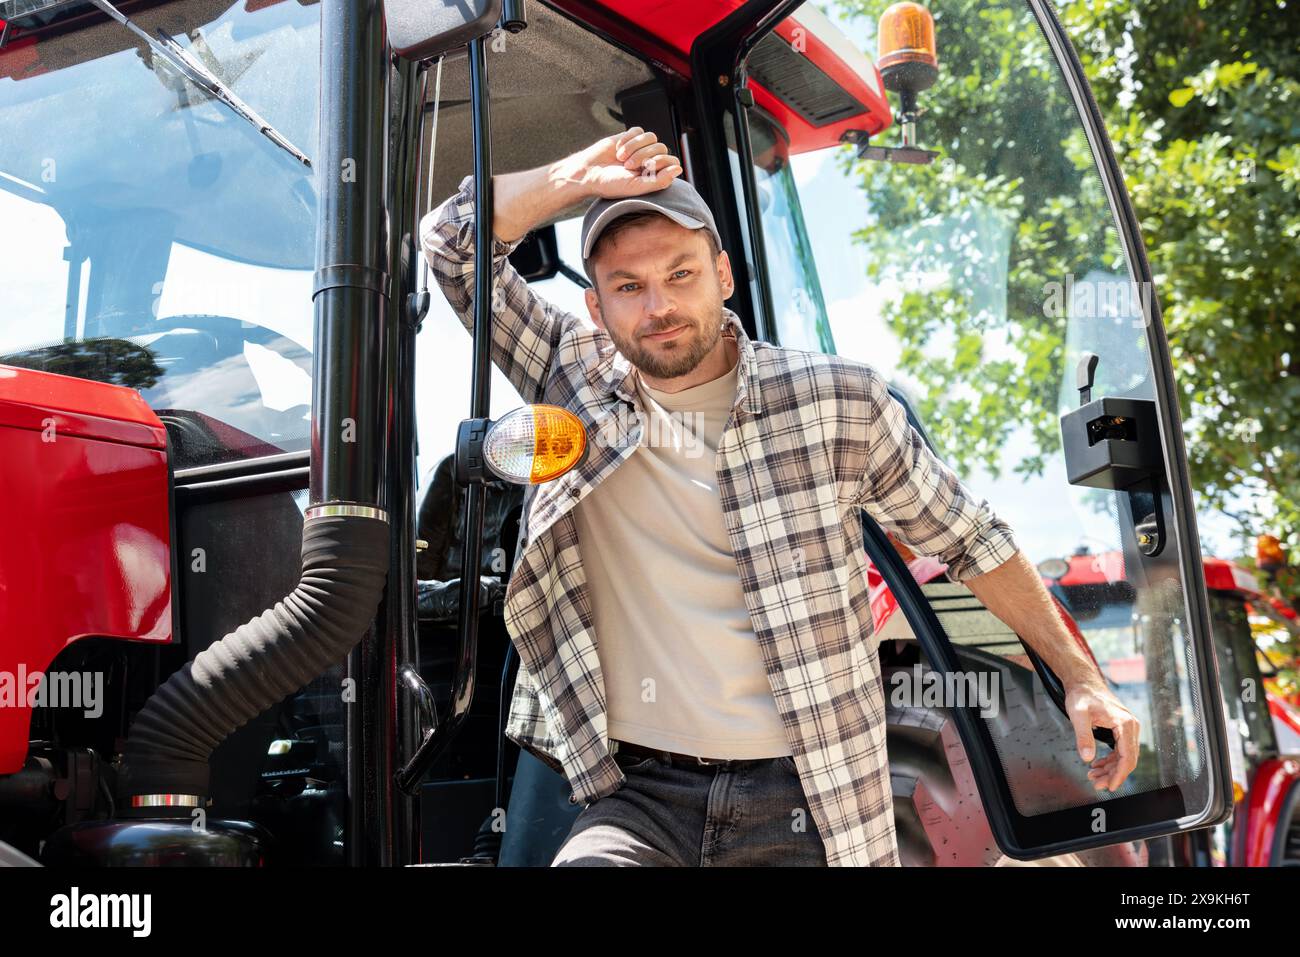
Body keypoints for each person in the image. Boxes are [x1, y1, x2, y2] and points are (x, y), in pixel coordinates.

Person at [419, 127, 1140, 867]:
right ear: (596, 309)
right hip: (638, 796)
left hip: (806, 796)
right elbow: (449, 242)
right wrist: (579, 172)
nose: (659, 305)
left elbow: (970, 540)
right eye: (629, 287)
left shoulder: (839, 401)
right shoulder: (573, 378)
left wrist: (1081, 678)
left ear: (723, 275)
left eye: (681, 273)